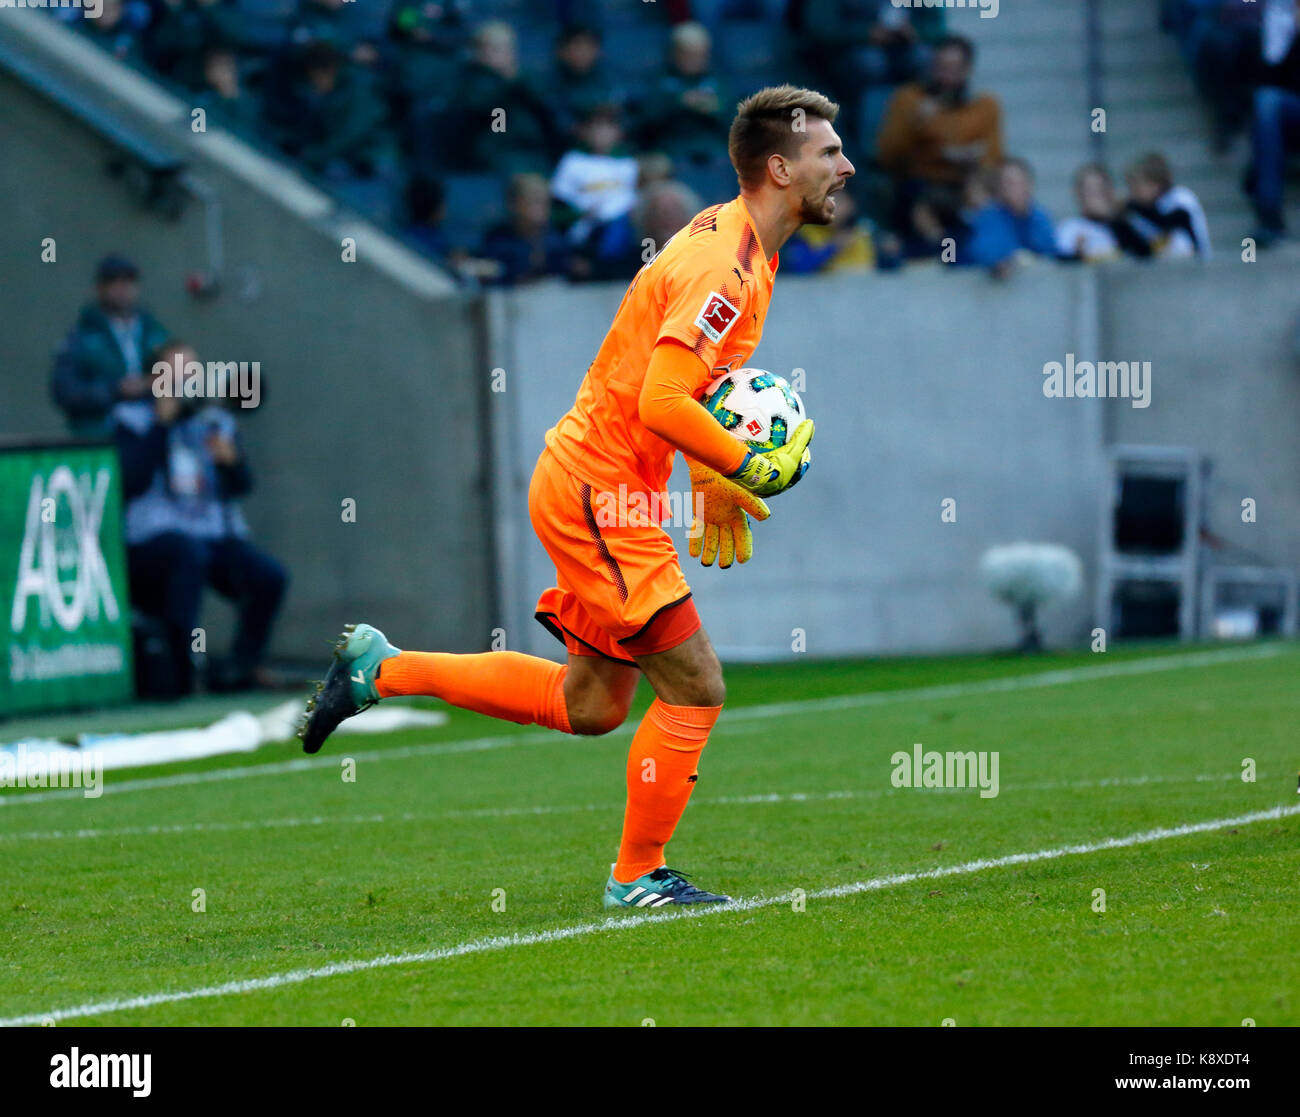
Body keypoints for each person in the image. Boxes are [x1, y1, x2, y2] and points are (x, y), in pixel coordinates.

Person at [297, 84, 846, 910]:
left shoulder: (749, 249)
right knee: (696, 685)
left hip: (603, 482)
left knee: (590, 704)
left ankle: (381, 667)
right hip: (603, 489)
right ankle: (636, 877)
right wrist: (749, 462)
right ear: (779, 168)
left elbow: (699, 383)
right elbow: (663, 403)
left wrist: (710, 479)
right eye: (828, 152)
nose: (845, 164)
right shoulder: (721, 268)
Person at [114, 341, 288, 696]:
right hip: (155, 537)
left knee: (269, 577)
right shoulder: (131, 419)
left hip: (210, 533)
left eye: (192, 371)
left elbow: (241, 486)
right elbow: (129, 482)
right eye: (176, 373)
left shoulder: (214, 421)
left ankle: (241, 665)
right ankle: (182, 669)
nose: (186, 381)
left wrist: (231, 463)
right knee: (188, 556)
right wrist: (161, 425)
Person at [875, 35, 1003, 240]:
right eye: (941, 67)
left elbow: (994, 156)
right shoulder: (909, 99)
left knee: (987, 191)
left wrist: (973, 159)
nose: (946, 77)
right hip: (921, 182)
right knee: (916, 197)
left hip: (965, 182)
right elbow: (887, 155)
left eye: (954, 69)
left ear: (967, 70)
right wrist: (914, 123)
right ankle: (935, 247)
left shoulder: (985, 106)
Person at [51, 255, 171, 438]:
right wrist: (114, 390)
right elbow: (65, 390)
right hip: (103, 433)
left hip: (154, 434)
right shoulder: (81, 337)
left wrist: (149, 384)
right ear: (99, 288)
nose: (122, 289)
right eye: (114, 282)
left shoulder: (155, 332)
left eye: (128, 281)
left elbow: (181, 377)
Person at [1122, 152, 1213, 259]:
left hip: (1194, 259)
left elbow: (1165, 225)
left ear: (1155, 184)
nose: (1132, 193)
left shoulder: (1180, 198)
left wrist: (1129, 208)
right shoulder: (1143, 208)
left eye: (1136, 187)